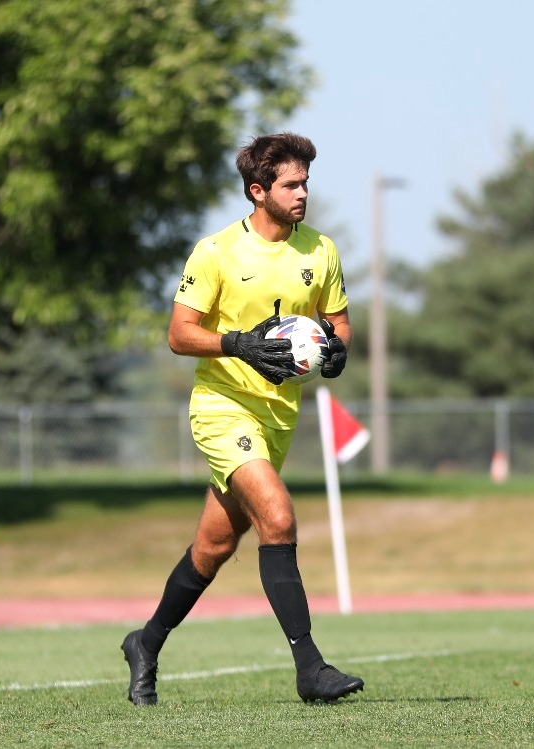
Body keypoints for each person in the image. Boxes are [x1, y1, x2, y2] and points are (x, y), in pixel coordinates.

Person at [119, 132, 360, 706]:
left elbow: (339, 323)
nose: (304, 193)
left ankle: (145, 642)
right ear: (258, 191)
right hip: (223, 408)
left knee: (214, 546)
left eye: (306, 182)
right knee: (277, 517)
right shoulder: (216, 252)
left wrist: (337, 350)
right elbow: (179, 334)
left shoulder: (321, 251)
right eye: (291, 184)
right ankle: (310, 668)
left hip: (278, 416)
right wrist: (237, 345)